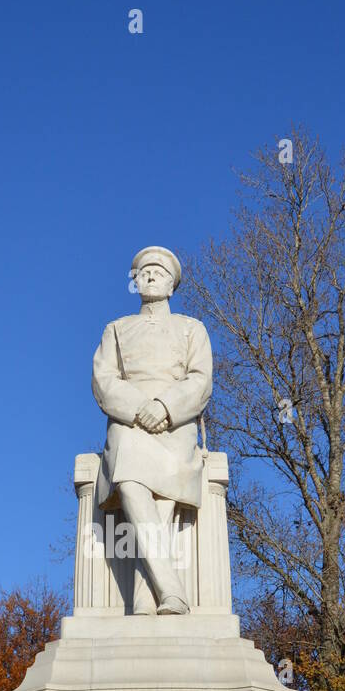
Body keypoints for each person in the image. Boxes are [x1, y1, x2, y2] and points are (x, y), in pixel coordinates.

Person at [92, 246, 213, 614]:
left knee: (162, 495)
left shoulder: (192, 329)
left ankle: (146, 601)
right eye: (143, 273)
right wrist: (138, 408)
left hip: (175, 424)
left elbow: (200, 379)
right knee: (129, 480)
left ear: (171, 286)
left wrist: (164, 408)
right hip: (129, 423)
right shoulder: (116, 328)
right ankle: (171, 589)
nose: (149, 277)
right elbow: (103, 378)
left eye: (158, 273)